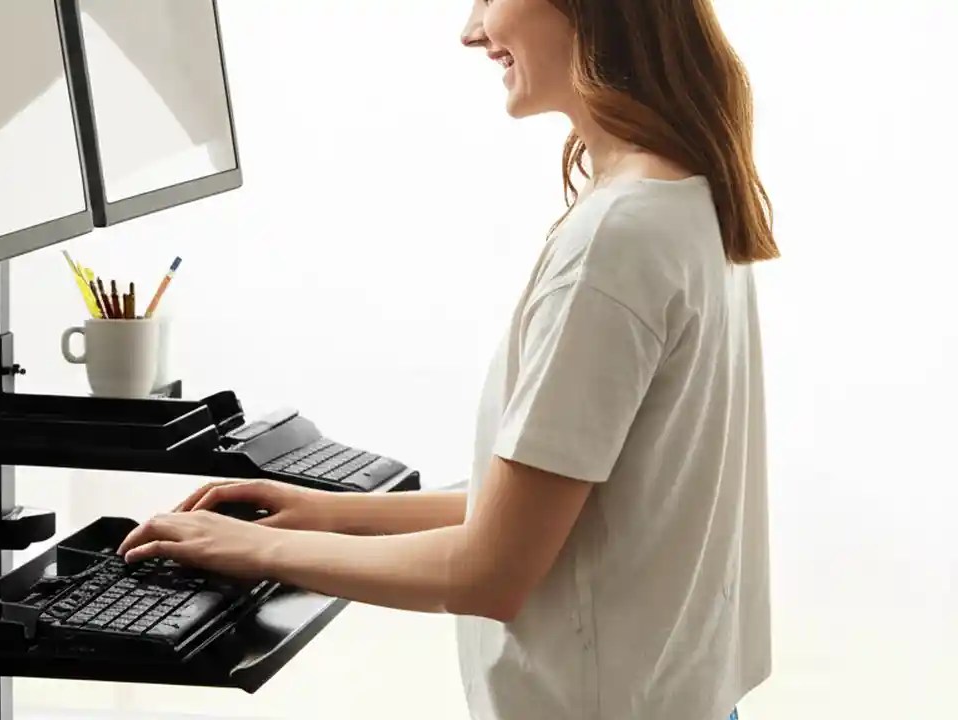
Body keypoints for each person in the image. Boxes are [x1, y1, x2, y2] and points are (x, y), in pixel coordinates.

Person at [118, 1, 776, 718]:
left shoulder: (615, 241)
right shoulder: (682, 194)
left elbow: (489, 572)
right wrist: (331, 514)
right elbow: (552, 513)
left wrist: (251, 551)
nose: (471, 30)